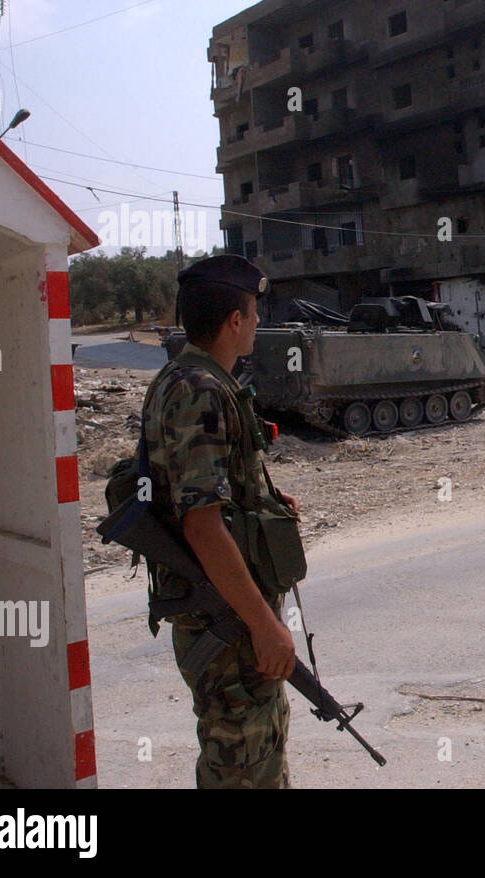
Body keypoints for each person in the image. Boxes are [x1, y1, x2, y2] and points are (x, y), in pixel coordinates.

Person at [141, 255, 301, 789]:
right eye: (253, 313)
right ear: (234, 320)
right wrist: (264, 625)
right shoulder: (199, 390)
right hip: (225, 619)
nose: (256, 323)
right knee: (242, 761)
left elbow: (212, 495)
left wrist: (267, 502)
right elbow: (202, 525)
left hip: (225, 611)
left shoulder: (193, 378)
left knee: (257, 748)